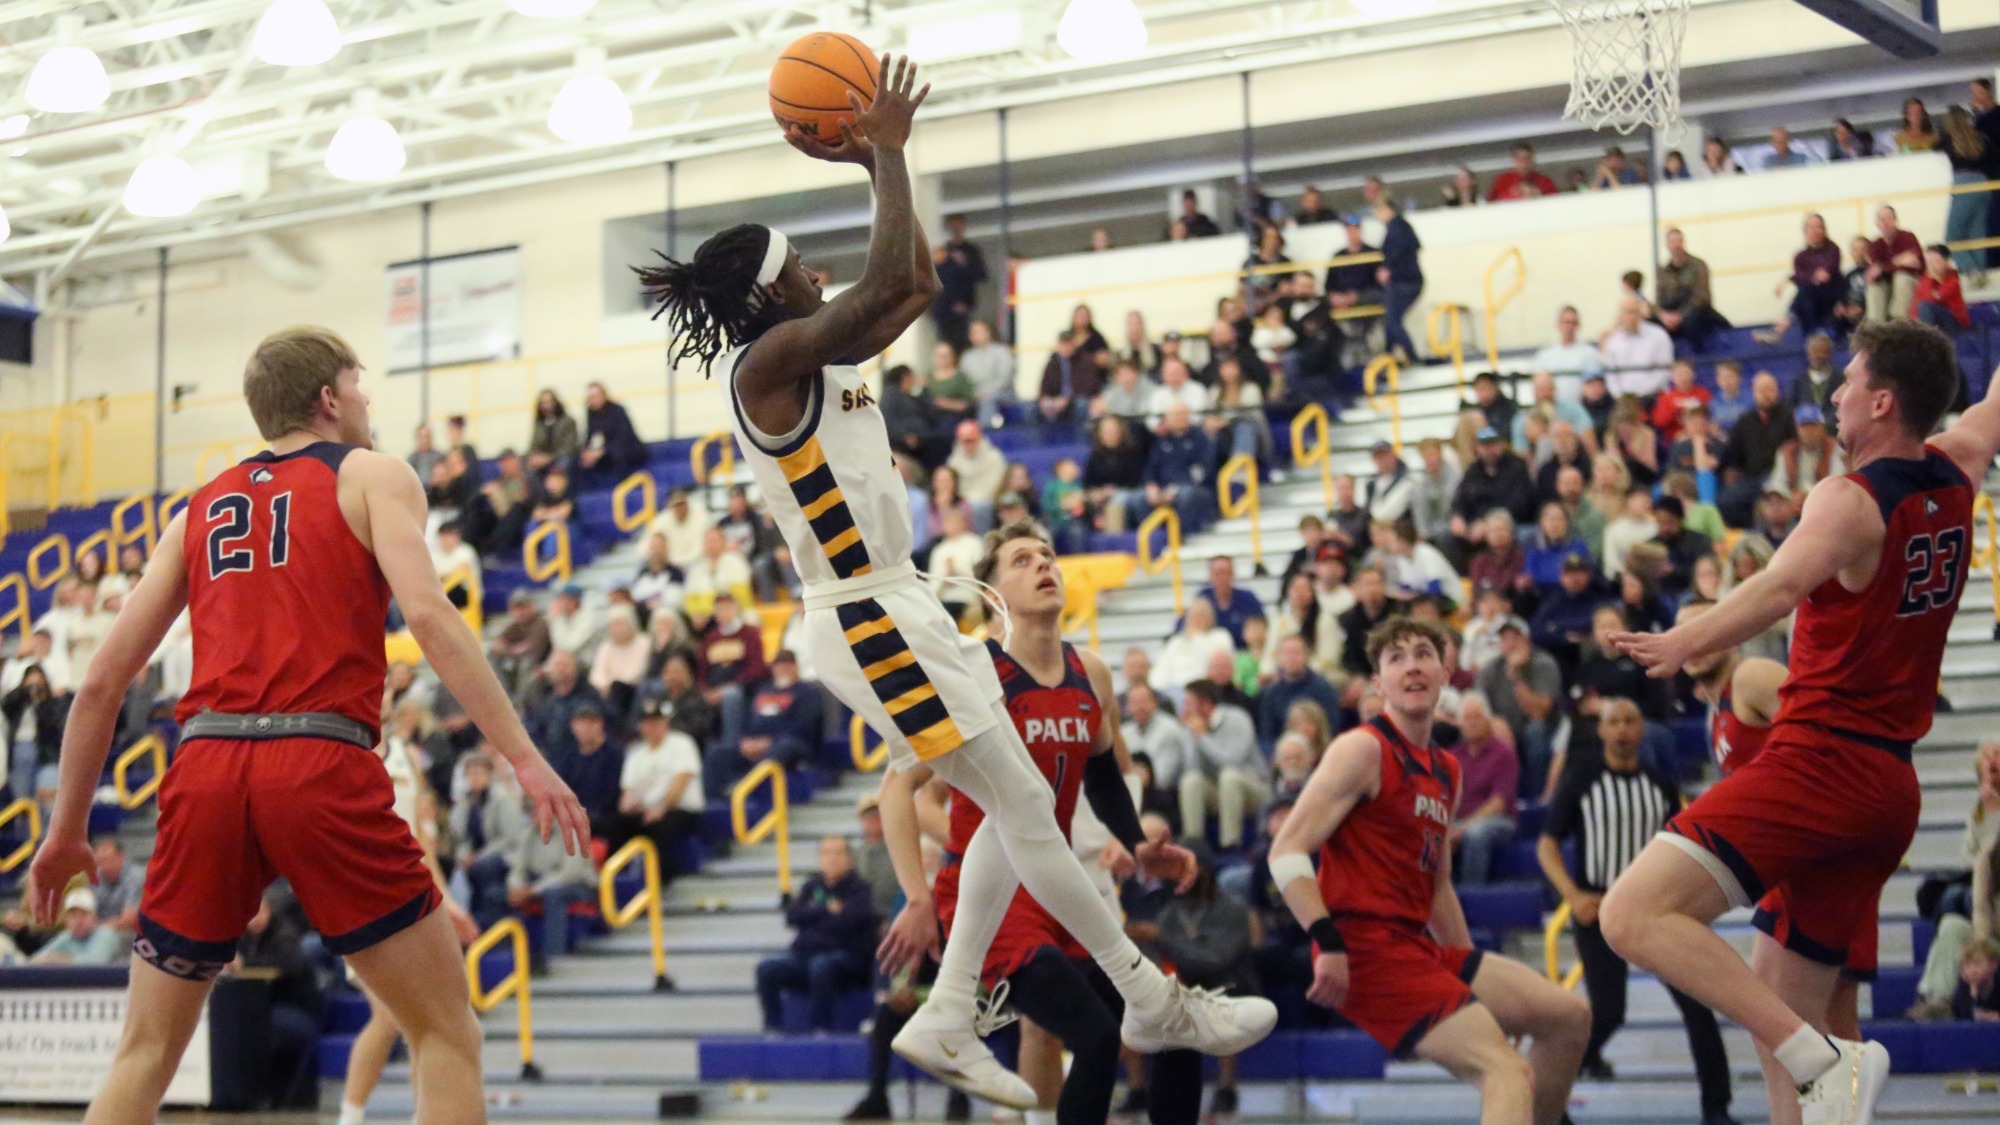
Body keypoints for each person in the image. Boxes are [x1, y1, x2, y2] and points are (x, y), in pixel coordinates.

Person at [636, 56, 1271, 1107]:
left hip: (901, 603)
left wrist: (883, 166)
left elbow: (916, 283)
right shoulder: (766, 369)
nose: (818, 279)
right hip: (864, 613)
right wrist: (882, 151)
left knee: (1010, 806)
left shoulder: (813, 357)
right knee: (1024, 800)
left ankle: (948, 1011)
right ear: (769, 293)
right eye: (801, 273)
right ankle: (1145, 996)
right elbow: (884, 284)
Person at [25, 326, 589, 1125]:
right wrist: (525, 758)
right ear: (329, 397)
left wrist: (65, 828)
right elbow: (428, 617)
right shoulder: (372, 476)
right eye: (359, 383)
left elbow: (101, 682)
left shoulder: (197, 506)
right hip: (318, 761)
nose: (365, 399)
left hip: (207, 765)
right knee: (444, 1030)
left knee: (144, 1054)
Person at [1602, 321, 2000, 1123]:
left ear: (1882, 401)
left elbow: (1778, 587)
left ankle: (1824, 1058)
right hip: (1890, 787)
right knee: (1786, 1039)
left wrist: (1684, 639)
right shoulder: (1959, 462)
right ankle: (1819, 1062)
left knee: (1631, 914)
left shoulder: (1849, 500)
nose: (1837, 393)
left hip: (1821, 763)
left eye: (1850, 381)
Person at [873, 519, 1209, 1125]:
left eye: (1048, 556)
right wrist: (917, 897)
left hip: (1066, 884)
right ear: (992, 593)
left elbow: (1105, 773)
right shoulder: (972, 675)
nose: (1042, 566)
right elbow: (897, 787)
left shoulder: (1093, 672)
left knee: (1174, 1026)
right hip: (994, 898)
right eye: (1022, 560)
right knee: (1095, 1034)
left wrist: (1137, 843)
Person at [1268, 617, 1590, 1124]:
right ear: (1379, 684)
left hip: (1416, 946)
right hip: (1364, 949)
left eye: (1422, 654)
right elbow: (1285, 852)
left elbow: (1437, 886)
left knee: (1569, 1017)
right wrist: (1325, 940)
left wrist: (1466, 974)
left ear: (1446, 672)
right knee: (1506, 1071)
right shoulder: (1362, 749)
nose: (1412, 666)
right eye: (1396, 658)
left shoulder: (1447, 769)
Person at [1538, 699, 1737, 1124]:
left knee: (1698, 1007)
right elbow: (1546, 845)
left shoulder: (1661, 784)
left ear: (1643, 729)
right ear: (1601, 731)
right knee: (1609, 1012)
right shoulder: (1580, 779)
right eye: (1614, 722)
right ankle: (1550, 1094)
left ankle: (1717, 1109)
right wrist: (1572, 896)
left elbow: (1682, 849)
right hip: (1598, 908)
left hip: (1653, 912)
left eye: (1631, 720)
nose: (1624, 729)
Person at [757, 836, 878, 1032]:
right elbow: (793, 916)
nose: (832, 858)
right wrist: (826, 910)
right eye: (826, 853)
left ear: (849, 859)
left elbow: (848, 922)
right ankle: (773, 1028)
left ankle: (820, 1028)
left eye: (838, 853)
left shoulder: (861, 889)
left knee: (821, 966)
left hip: (847, 957)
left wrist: (813, 915)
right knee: (767, 969)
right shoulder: (811, 885)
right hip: (805, 956)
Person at [31, 887, 125, 965]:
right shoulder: (67, 937)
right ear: (67, 920)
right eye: (73, 915)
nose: (79, 921)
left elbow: (94, 963)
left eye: (84, 914)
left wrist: (61, 959)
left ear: (94, 918)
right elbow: (37, 960)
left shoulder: (106, 934)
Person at [1865, 205, 1924, 324]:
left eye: (1888, 218)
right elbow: (1874, 272)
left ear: (1895, 221)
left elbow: (1913, 263)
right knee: (1874, 287)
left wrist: (1884, 267)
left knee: (1901, 277)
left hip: (1911, 282)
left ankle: (1898, 321)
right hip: (1887, 284)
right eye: (1881, 219)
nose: (1885, 222)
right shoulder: (1874, 245)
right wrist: (1897, 262)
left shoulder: (1908, 237)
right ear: (1876, 223)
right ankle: (1876, 326)